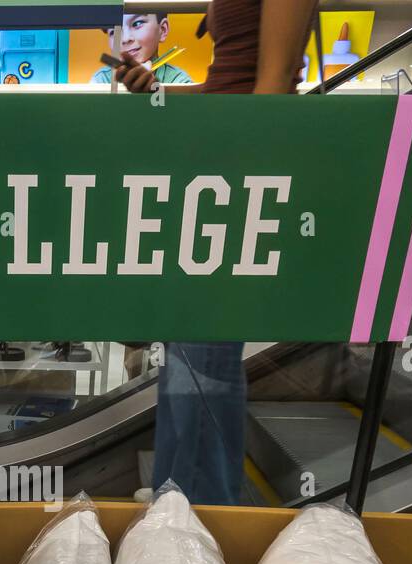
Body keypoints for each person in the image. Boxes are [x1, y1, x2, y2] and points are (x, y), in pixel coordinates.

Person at [111, 0, 316, 505]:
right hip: (216, 167)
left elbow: (271, 91)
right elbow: (228, 85)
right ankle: (175, 496)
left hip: (230, 179)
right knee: (186, 359)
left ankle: (202, 514)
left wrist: (230, 200)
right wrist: (159, 91)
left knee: (204, 365)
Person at [90, 13, 193, 86]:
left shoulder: (179, 80)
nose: (125, 39)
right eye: (114, 31)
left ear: (162, 30)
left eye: (137, 24)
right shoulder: (101, 80)